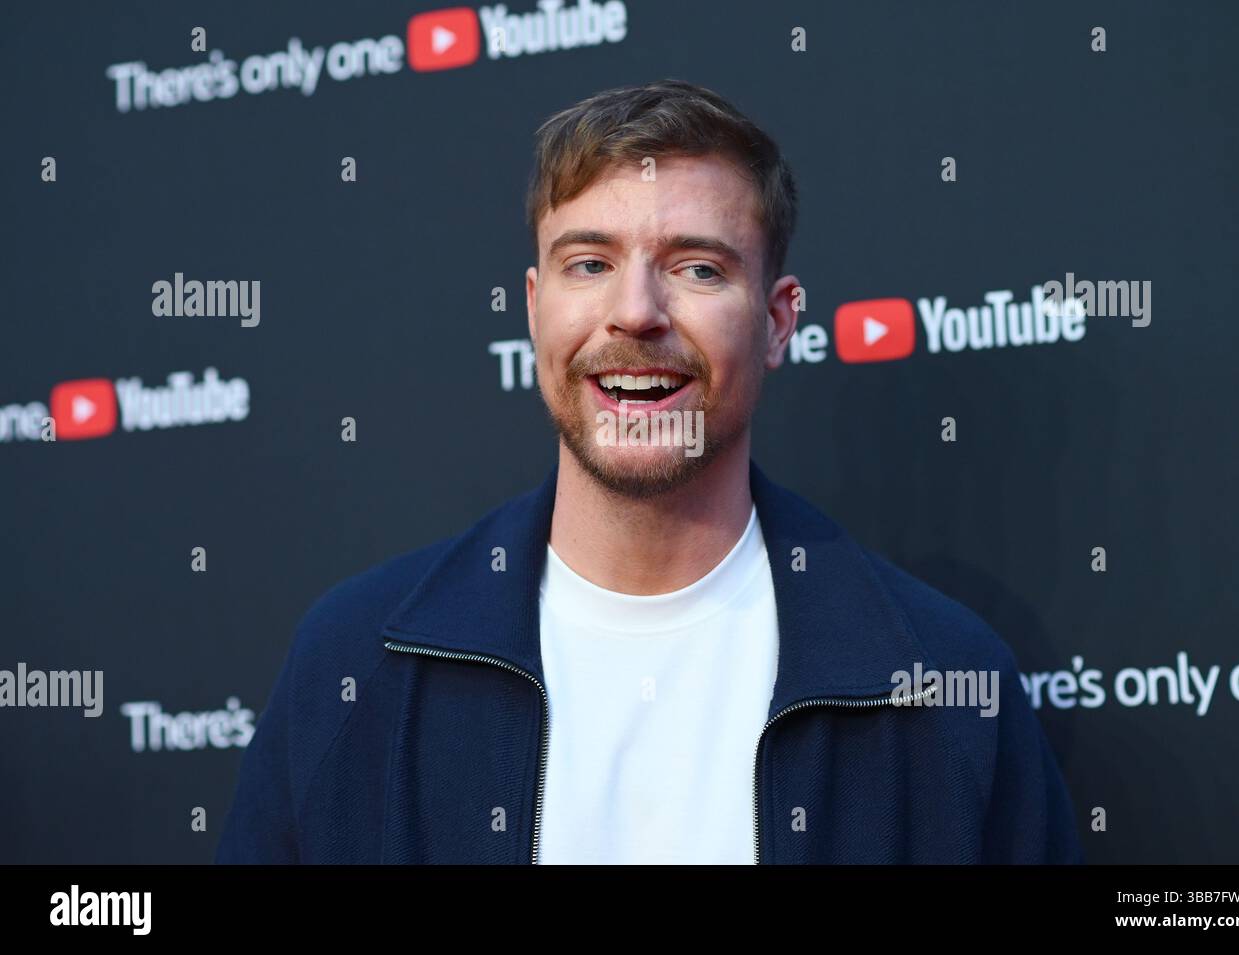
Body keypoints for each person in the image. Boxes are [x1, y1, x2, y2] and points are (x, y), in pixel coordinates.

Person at [216, 78, 1083, 864]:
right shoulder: (357, 660)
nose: (635, 312)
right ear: (533, 307)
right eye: (589, 264)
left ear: (779, 323)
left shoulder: (941, 682)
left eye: (697, 268)